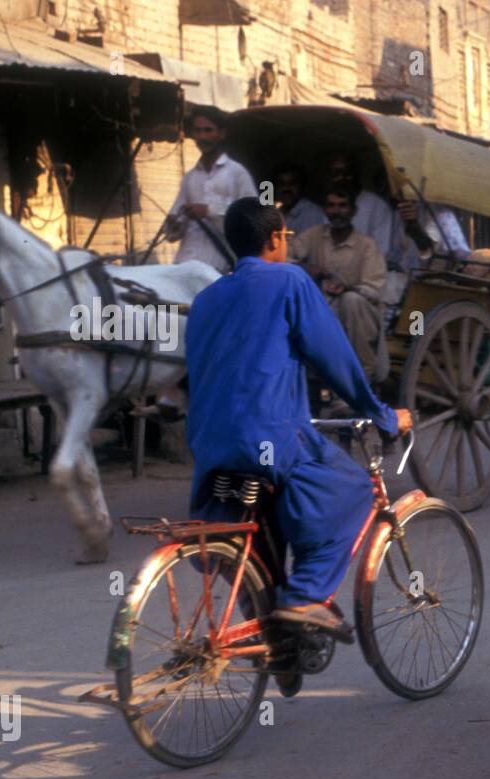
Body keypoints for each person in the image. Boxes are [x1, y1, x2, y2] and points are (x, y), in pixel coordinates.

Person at [185, 197, 411, 694]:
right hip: (268, 435)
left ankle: (275, 639)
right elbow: (336, 360)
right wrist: (381, 413)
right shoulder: (288, 281)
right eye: (286, 237)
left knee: (256, 531)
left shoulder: (205, 299)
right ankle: (306, 596)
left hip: (209, 444)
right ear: (275, 240)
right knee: (351, 490)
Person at [288, 185, 388, 379]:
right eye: (332, 206)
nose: (337, 211)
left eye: (343, 206)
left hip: (359, 318)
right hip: (322, 310)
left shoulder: (367, 246)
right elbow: (282, 256)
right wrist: (310, 268)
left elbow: (375, 289)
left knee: (352, 301)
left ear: (353, 211)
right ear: (325, 209)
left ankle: (360, 376)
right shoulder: (314, 235)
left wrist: (346, 288)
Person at [166, 107, 257, 272]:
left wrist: (209, 211)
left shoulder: (237, 173)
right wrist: (173, 222)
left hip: (221, 266)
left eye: (208, 130)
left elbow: (253, 220)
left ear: (222, 133)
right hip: (185, 264)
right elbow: (173, 234)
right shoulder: (189, 178)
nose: (202, 137)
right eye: (198, 131)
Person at [272, 162, 326, 237]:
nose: (286, 188)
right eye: (281, 184)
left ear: (301, 187)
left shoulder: (313, 214)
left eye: (292, 183)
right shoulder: (272, 211)